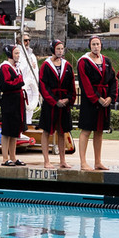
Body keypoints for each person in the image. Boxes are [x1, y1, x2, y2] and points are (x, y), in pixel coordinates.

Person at [76, 36, 114, 171]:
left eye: (98, 44)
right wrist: (97, 98)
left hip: (104, 100)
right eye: (93, 44)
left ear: (101, 45)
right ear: (89, 46)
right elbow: (85, 83)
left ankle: (98, 161)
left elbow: (112, 81)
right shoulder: (83, 62)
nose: (96, 46)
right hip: (90, 100)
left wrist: (110, 97)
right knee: (86, 130)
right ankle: (83, 162)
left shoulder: (106, 61)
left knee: (99, 131)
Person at [38, 40, 75, 169]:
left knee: (62, 131)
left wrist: (68, 99)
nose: (60, 51)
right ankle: (46, 161)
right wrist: (54, 101)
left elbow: (71, 85)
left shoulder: (67, 65)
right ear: (53, 50)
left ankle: (62, 160)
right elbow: (43, 86)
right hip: (50, 103)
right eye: (58, 49)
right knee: (47, 131)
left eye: (61, 49)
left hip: (63, 103)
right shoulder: (46, 65)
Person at [0, 43, 29, 167]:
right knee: (7, 131)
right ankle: (5, 158)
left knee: (15, 130)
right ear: (10, 54)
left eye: (18, 53)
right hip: (9, 100)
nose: (18, 55)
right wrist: (19, 81)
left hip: (17, 100)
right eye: (16, 53)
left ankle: (13, 156)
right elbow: (6, 84)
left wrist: (19, 81)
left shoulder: (16, 67)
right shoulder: (5, 67)